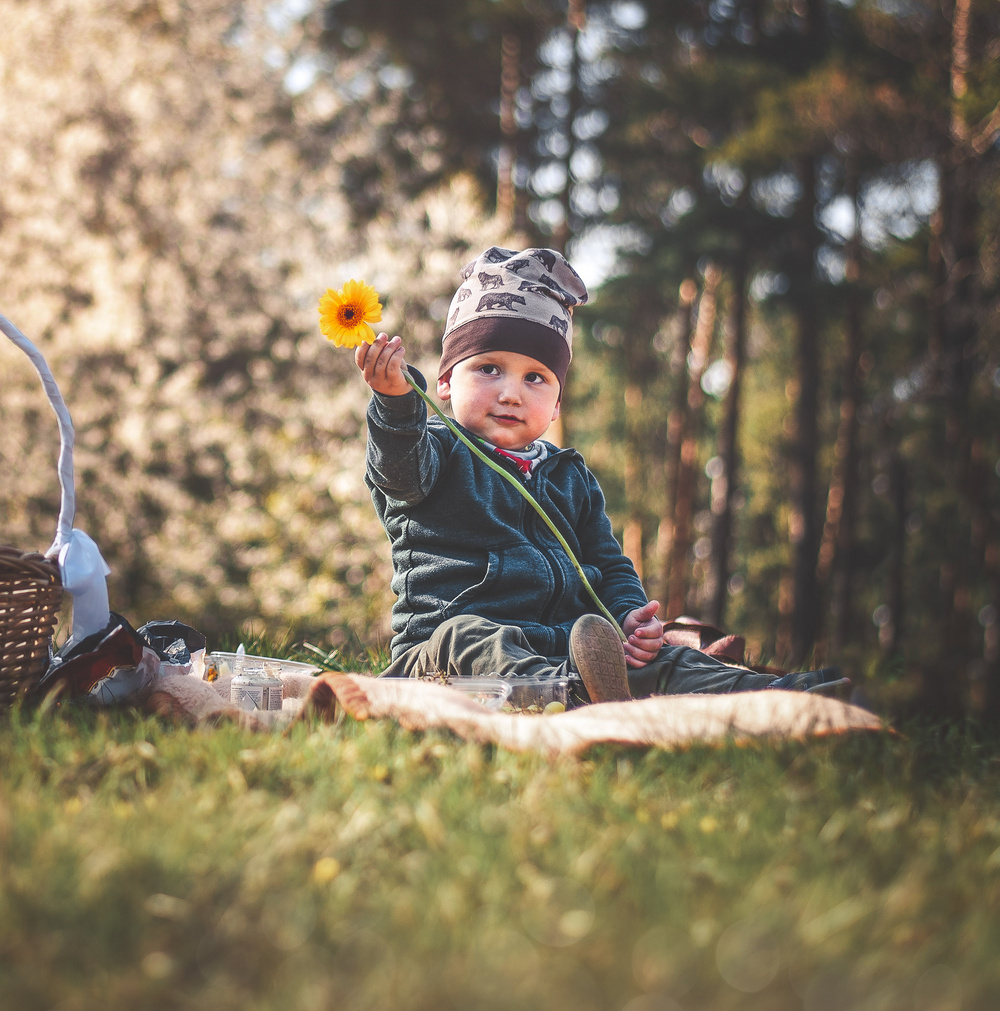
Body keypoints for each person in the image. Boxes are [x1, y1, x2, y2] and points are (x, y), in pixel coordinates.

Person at [357, 245, 845, 702]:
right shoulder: (433, 452)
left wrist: (631, 618)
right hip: (443, 651)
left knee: (669, 661)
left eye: (536, 378)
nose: (511, 393)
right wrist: (397, 404)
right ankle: (559, 698)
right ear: (444, 381)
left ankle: (779, 696)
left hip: (570, 648)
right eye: (488, 369)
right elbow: (397, 471)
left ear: (556, 404)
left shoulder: (570, 478)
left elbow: (609, 566)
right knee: (469, 638)